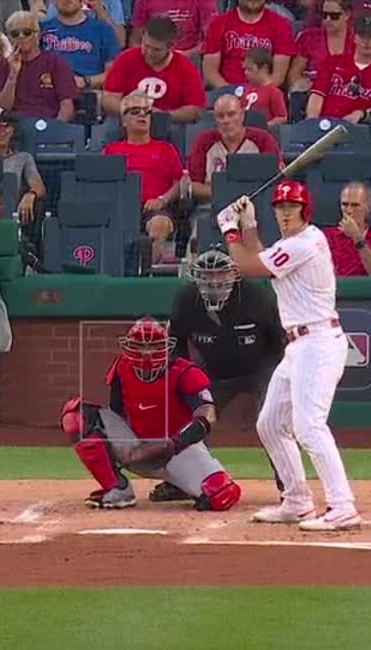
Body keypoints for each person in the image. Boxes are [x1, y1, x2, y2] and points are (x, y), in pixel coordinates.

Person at [218, 182, 360, 531]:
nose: (285, 213)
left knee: (309, 425)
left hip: (319, 342)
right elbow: (263, 257)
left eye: (292, 206)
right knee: (270, 424)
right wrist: (249, 225)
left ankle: (343, 506)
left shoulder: (306, 242)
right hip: (298, 346)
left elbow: (249, 266)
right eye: (280, 207)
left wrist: (230, 231)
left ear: (304, 210)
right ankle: (297, 501)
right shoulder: (291, 244)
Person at [58, 317, 243, 513]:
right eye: (140, 346)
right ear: (129, 346)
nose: (146, 352)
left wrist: (173, 443)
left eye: (153, 346)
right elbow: (116, 412)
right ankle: (117, 489)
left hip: (178, 449)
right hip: (138, 448)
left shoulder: (185, 372)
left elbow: (208, 415)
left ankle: (178, 484)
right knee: (76, 416)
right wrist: (119, 447)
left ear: (166, 347)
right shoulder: (121, 368)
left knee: (221, 493)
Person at [154, 245, 284, 502]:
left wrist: (276, 377)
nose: (214, 281)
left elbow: (278, 340)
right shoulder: (186, 300)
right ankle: (183, 482)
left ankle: (288, 485)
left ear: (234, 273)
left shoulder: (257, 297)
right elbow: (176, 341)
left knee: (272, 423)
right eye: (207, 274)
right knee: (187, 420)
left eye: (220, 273)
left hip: (262, 368)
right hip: (214, 372)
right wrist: (185, 376)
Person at [102, 89, 187, 265]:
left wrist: (162, 200)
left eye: (146, 112)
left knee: (160, 224)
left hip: (155, 208)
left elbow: (180, 182)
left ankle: (144, 271)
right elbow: (102, 183)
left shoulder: (166, 149)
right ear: (124, 120)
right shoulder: (111, 150)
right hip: (120, 208)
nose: (142, 115)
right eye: (135, 111)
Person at [328, 181, 371, 276]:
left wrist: (357, 238)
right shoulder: (327, 238)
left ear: (368, 208)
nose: (349, 210)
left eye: (355, 205)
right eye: (345, 205)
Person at [241, 47, 289, 122]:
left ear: (264, 68)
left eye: (250, 69)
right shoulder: (246, 89)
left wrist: (266, 125)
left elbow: (282, 118)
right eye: (245, 69)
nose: (246, 73)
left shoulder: (274, 92)